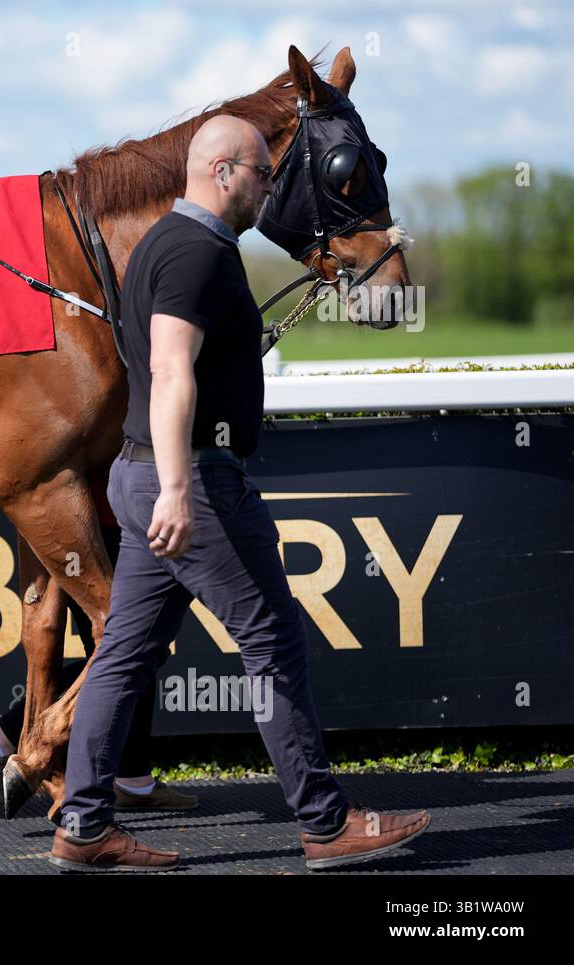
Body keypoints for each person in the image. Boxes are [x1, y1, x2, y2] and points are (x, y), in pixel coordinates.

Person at [50, 115, 429, 873]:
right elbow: (169, 370)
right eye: (261, 175)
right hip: (187, 480)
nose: (269, 191)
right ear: (224, 171)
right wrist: (180, 490)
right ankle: (325, 823)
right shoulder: (196, 252)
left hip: (141, 472)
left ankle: (85, 825)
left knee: (122, 653)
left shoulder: (162, 243)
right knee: (274, 642)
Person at [0, 520, 198, 814]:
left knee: (132, 640)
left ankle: (131, 777)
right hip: (93, 521)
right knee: (130, 640)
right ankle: (8, 733)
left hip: (103, 517)